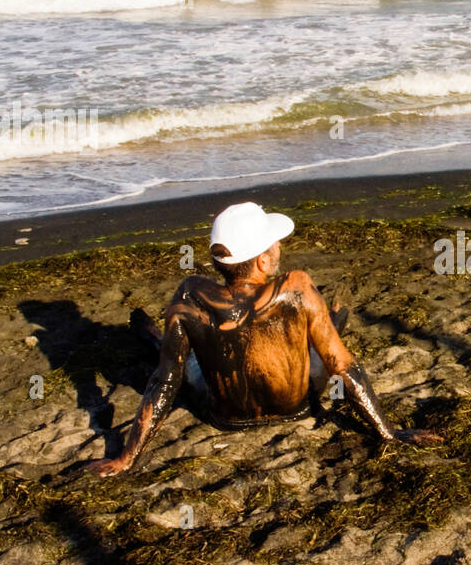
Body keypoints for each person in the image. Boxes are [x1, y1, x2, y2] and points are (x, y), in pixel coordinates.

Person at [87, 201, 441, 477]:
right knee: (322, 342)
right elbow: (341, 364)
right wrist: (388, 432)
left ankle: (148, 332)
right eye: (274, 243)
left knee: (179, 357)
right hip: (297, 406)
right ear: (262, 260)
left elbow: (165, 379)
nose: (279, 246)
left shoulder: (190, 297)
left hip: (224, 416)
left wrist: (125, 457)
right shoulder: (297, 288)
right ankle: (336, 316)